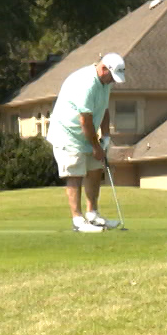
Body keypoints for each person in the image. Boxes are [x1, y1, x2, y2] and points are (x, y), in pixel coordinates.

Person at [46, 52, 126, 232]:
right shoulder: (87, 83)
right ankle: (78, 220)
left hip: (85, 134)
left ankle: (93, 215)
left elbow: (104, 110)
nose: (113, 81)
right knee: (75, 173)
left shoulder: (105, 83)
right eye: (112, 77)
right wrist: (96, 147)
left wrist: (106, 137)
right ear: (104, 69)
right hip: (67, 134)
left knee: (95, 169)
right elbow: (85, 120)